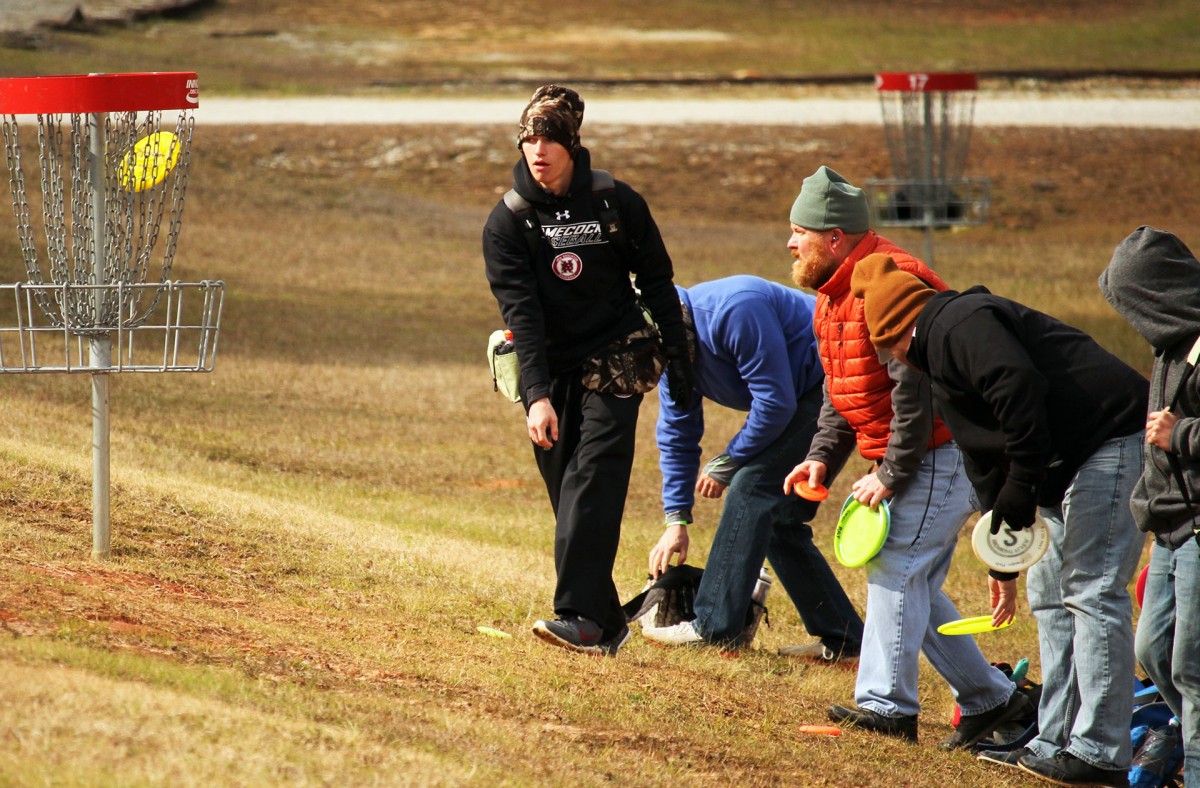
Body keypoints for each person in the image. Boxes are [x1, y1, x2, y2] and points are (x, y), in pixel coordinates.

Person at [851, 252, 1149, 786]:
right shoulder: (940, 354)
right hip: (1069, 459)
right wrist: (1003, 559)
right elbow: (982, 458)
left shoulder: (962, 325)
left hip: (1109, 438)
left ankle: (1101, 752)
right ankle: (1055, 738)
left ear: (896, 335)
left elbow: (1020, 394)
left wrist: (1019, 496)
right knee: (1052, 599)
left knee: (1092, 591)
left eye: (887, 349)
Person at [780, 165, 1030, 749]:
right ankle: (995, 700)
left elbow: (915, 392)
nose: (790, 243)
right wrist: (822, 457)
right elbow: (841, 388)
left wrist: (891, 475)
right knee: (912, 580)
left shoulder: (892, 283)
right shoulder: (831, 295)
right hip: (916, 452)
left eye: (799, 232)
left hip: (945, 450)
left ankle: (887, 708)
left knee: (896, 565)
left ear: (834, 237)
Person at [482, 85, 694, 656]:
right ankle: (607, 623)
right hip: (548, 366)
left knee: (591, 477)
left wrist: (679, 359)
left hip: (617, 355)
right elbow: (520, 313)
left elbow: (656, 282)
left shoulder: (615, 203)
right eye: (529, 138)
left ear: (572, 144)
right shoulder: (509, 222)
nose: (538, 149)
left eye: (550, 137)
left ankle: (576, 615)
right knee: (566, 492)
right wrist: (536, 397)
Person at [638, 275, 864, 661]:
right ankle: (845, 642)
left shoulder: (736, 308)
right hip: (796, 394)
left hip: (829, 382)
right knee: (780, 520)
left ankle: (711, 625)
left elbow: (776, 404)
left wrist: (729, 461)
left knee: (751, 487)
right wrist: (676, 519)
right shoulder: (671, 348)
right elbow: (677, 431)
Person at [1101, 226, 1200, 788]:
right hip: (1169, 523)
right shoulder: (1170, 345)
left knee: (1191, 664)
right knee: (1154, 648)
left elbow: (1173, 432)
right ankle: (1187, 737)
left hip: (1199, 522)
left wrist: (1182, 433)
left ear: (1157, 296)